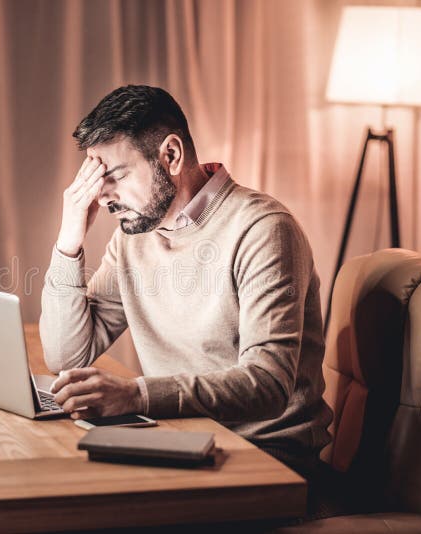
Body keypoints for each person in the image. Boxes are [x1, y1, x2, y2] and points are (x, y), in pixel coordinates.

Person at [40, 85, 332, 475]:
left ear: (171, 156)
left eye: (112, 175)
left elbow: (269, 384)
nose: (102, 196)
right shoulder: (135, 237)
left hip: (266, 458)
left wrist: (138, 395)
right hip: (179, 439)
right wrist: (68, 243)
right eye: (94, 178)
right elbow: (66, 356)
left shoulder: (263, 229)